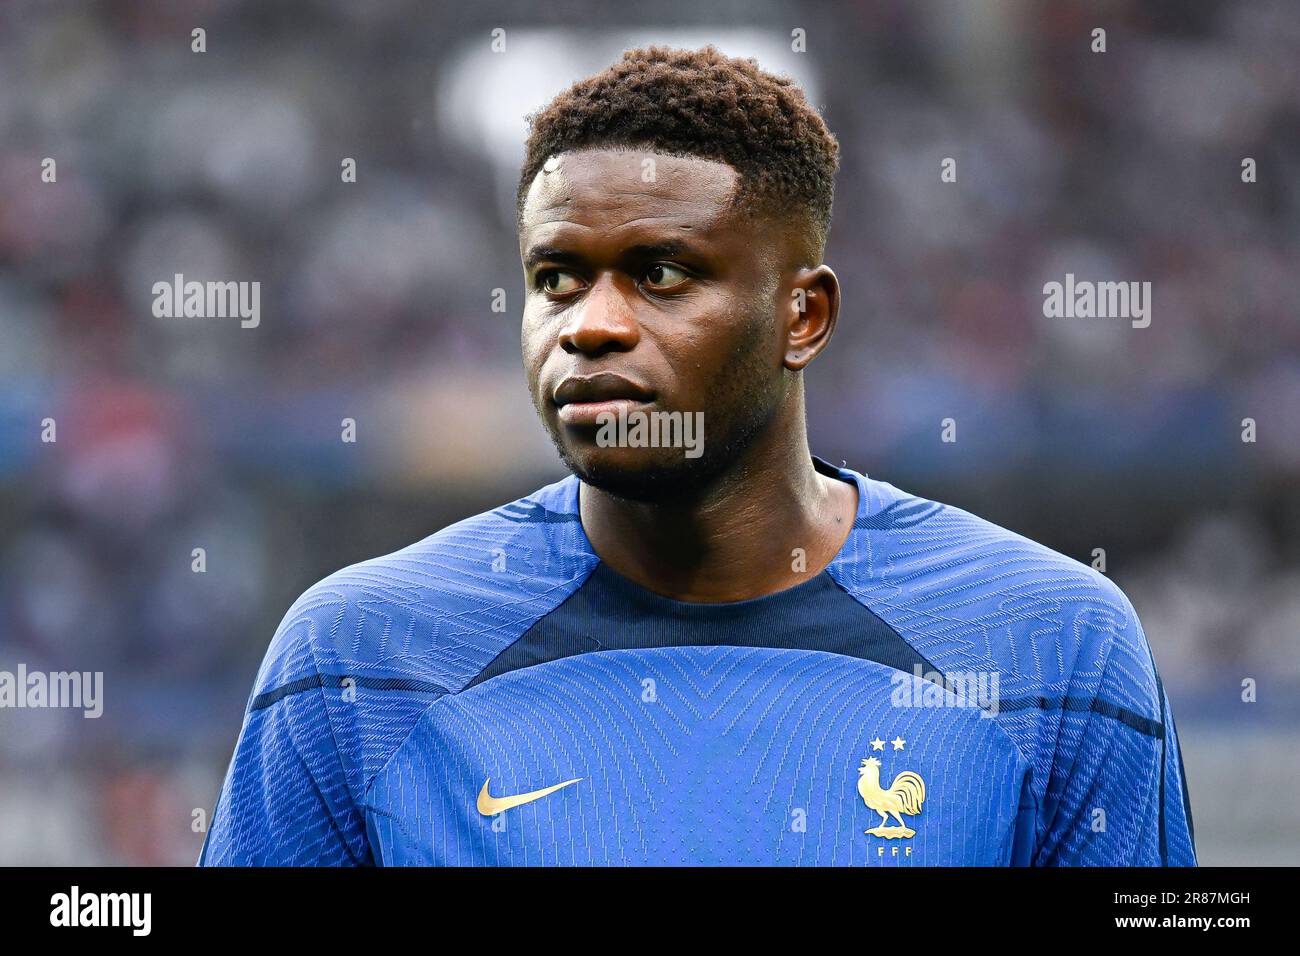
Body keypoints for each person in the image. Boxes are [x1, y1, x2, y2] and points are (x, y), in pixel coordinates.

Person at [200, 46, 1194, 866]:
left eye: (660, 272)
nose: (588, 327)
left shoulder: (1054, 647)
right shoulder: (355, 661)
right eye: (555, 277)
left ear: (801, 315)